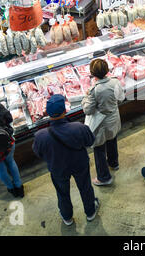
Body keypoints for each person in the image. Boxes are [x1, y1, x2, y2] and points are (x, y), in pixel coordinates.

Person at [33, 94, 99, 226]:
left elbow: (38, 153)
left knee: (62, 192)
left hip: (58, 168)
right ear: (65, 110)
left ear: (47, 113)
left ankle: (67, 217)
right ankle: (90, 212)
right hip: (79, 163)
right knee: (85, 187)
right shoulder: (79, 127)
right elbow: (90, 141)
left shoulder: (40, 136)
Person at [81, 58, 124, 186]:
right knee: (112, 140)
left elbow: (87, 110)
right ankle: (114, 163)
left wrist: (86, 97)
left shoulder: (95, 90)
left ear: (93, 74)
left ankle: (104, 177)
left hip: (101, 124)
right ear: (106, 70)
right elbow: (121, 98)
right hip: (113, 118)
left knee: (99, 149)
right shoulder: (115, 82)